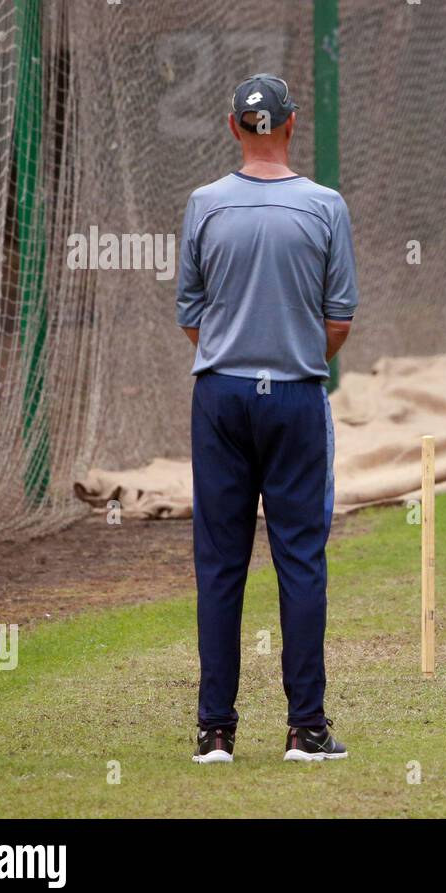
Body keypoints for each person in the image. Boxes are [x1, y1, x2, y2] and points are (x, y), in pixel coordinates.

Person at [176, 74, 357, 763]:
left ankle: (215, 731)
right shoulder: (324, 205)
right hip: (295, 398)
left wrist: (234, 354)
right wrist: (291, 355)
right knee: (300, 561)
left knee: (221, 564)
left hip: (219, 396)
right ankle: (305, 729)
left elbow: (190, 314)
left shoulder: (204, 204)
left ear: (232, 127)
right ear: (290, 125)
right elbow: (339, 318)